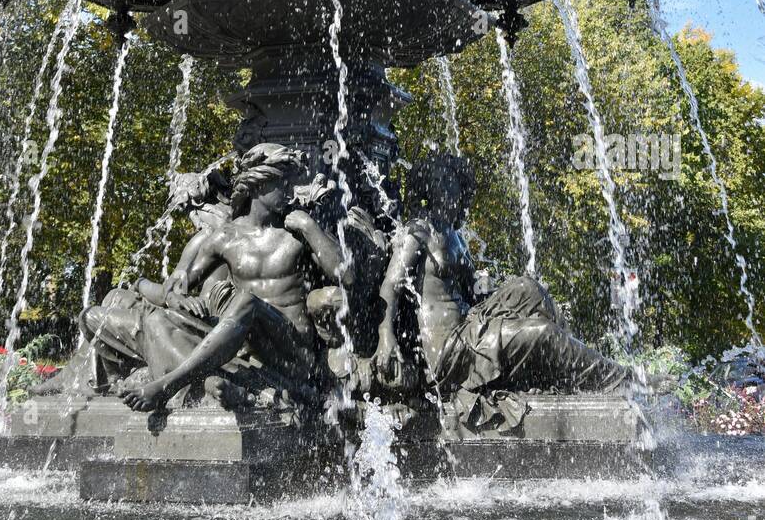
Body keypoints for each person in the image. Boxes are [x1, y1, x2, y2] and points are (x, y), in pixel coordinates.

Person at [373, 153, 632, 432]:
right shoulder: (418, 230)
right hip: (448, 350)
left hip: (469, 326)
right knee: (540, 332)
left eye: (452, 182)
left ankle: (570, 375)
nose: (449, 188)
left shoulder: (455, 236)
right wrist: (385, 336)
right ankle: (622, 380)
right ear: (428, 187)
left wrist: (500, 294)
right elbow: (390, 285)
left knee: (527, 287)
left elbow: (476, 295)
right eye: (441, 181)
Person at [83, 144, 350, 414]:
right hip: (246, 345)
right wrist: (177, 297)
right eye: (283, 184)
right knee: (156, 320)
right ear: (258, 185)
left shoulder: (298, 231)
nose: (291, 192)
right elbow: (174, 288)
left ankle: (167, 385)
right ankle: (217, 382)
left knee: (248, 301)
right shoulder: (225, 237)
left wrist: (310, 227)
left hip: (292, 351)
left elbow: (346, 276)